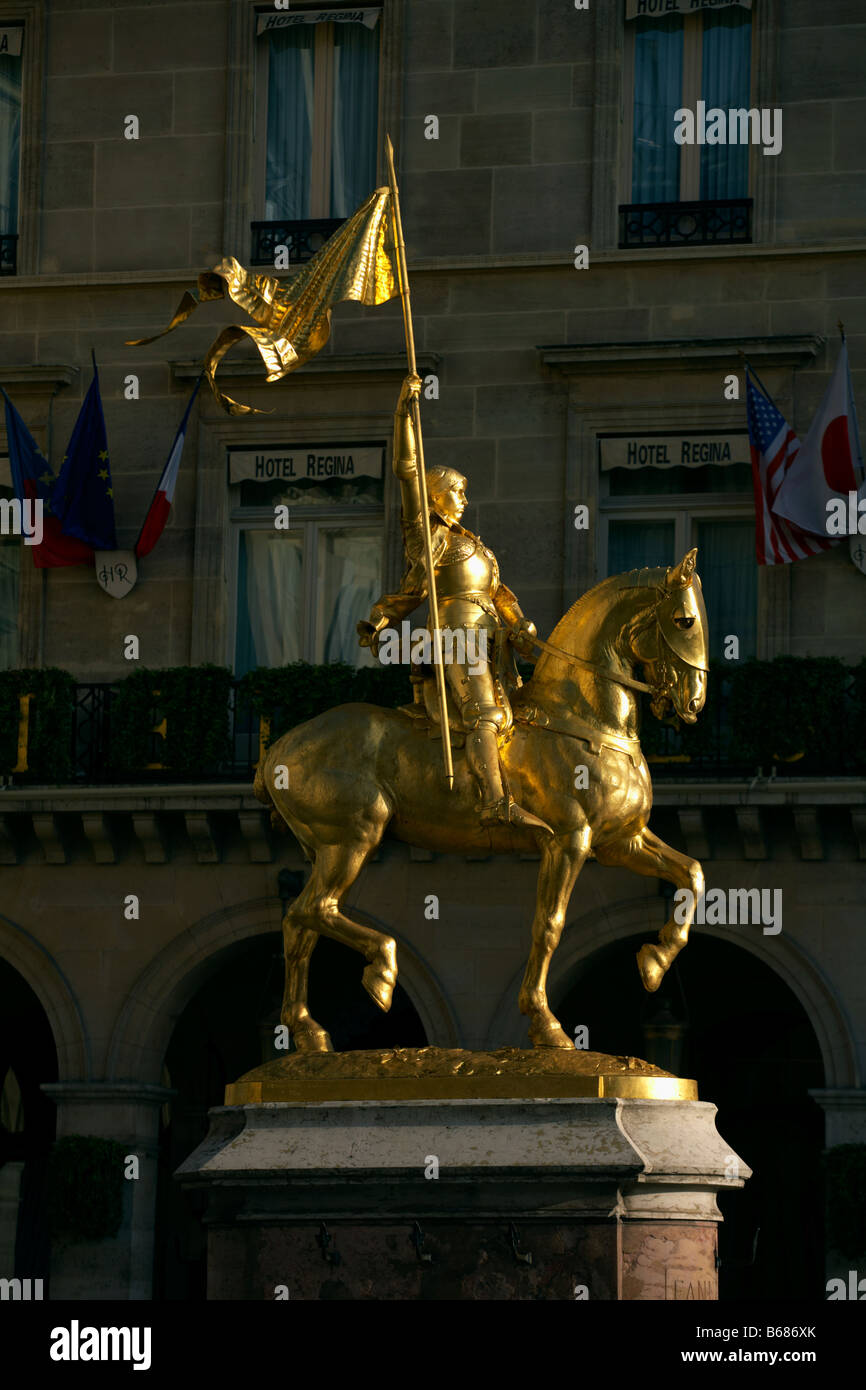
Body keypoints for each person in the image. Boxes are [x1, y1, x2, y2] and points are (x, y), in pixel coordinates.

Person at [358, 373, 553, 836]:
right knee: (484, 714)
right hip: (455, 640)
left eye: (465, 491)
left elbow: (499, 594)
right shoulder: (429, 535)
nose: (464, 499)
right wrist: (404, 412)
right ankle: (495, 802)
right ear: (435, 497)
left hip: (493, 641)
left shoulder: (477, 547)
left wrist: (521, 624)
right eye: (456, 491)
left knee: (519, 714)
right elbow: (407, 471)